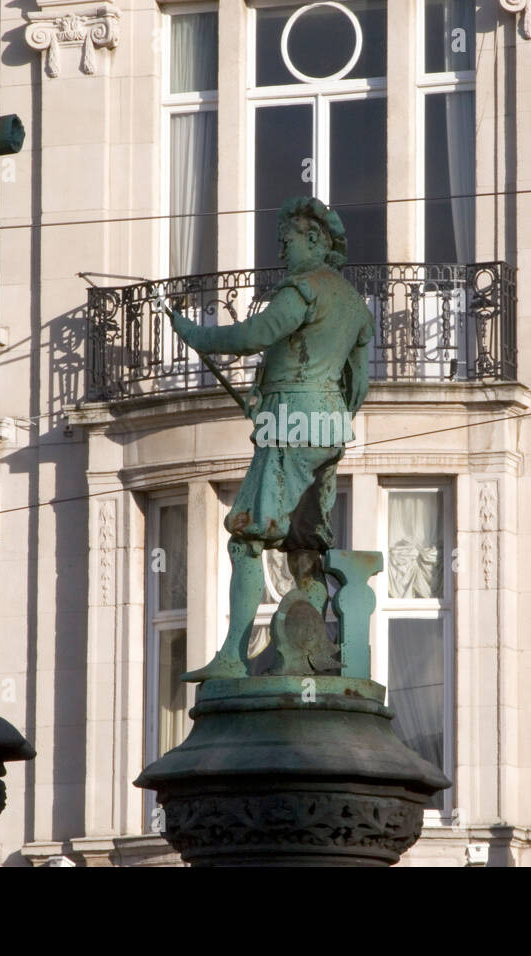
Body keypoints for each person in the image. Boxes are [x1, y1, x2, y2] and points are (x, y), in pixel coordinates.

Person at [166, 196, 374, 680]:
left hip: (291, 419)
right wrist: (325, 418)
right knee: (306, 545)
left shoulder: (304, 289)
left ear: (315, 240)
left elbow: (257, 333)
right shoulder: (353, 305)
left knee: (247, 537)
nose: (282, 251)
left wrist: (196, 335)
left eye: (288, 241)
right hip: (328, 426)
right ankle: (313, 652)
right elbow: (357, 386)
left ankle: (234, 656)